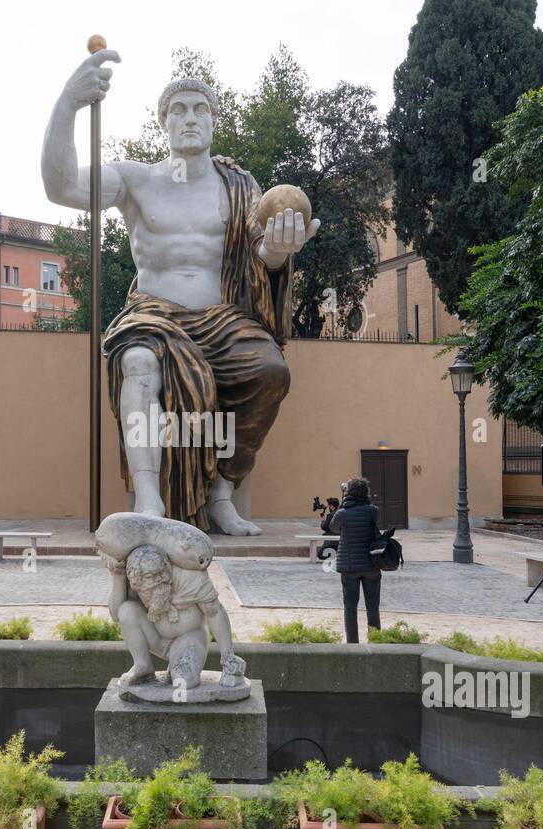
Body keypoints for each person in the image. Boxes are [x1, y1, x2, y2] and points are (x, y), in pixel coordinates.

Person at [43, 58, 320, 534]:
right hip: (153, 316)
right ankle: (149, 498)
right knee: (138, 364)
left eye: (199, 109)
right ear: (163, 122)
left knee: (271, 371)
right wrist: (69, 101)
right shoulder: (136, 180)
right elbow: (61, 185)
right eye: (178, 109)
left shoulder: (242, 187)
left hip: (223, 321)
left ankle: (220, 496)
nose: (189, 117)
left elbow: (260, 259)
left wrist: (277, 252)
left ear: (213, 120)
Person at [329, 477, 383, 643]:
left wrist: (343, 501)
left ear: (349, 492)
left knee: (350, 607)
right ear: (366, 492)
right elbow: (377, 521)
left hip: (349, 566)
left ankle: (353, 643)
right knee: (372, 606)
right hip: (371, 565)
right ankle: (375, 641)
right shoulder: (373, 510)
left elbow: (333, 527)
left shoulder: (342, 513)